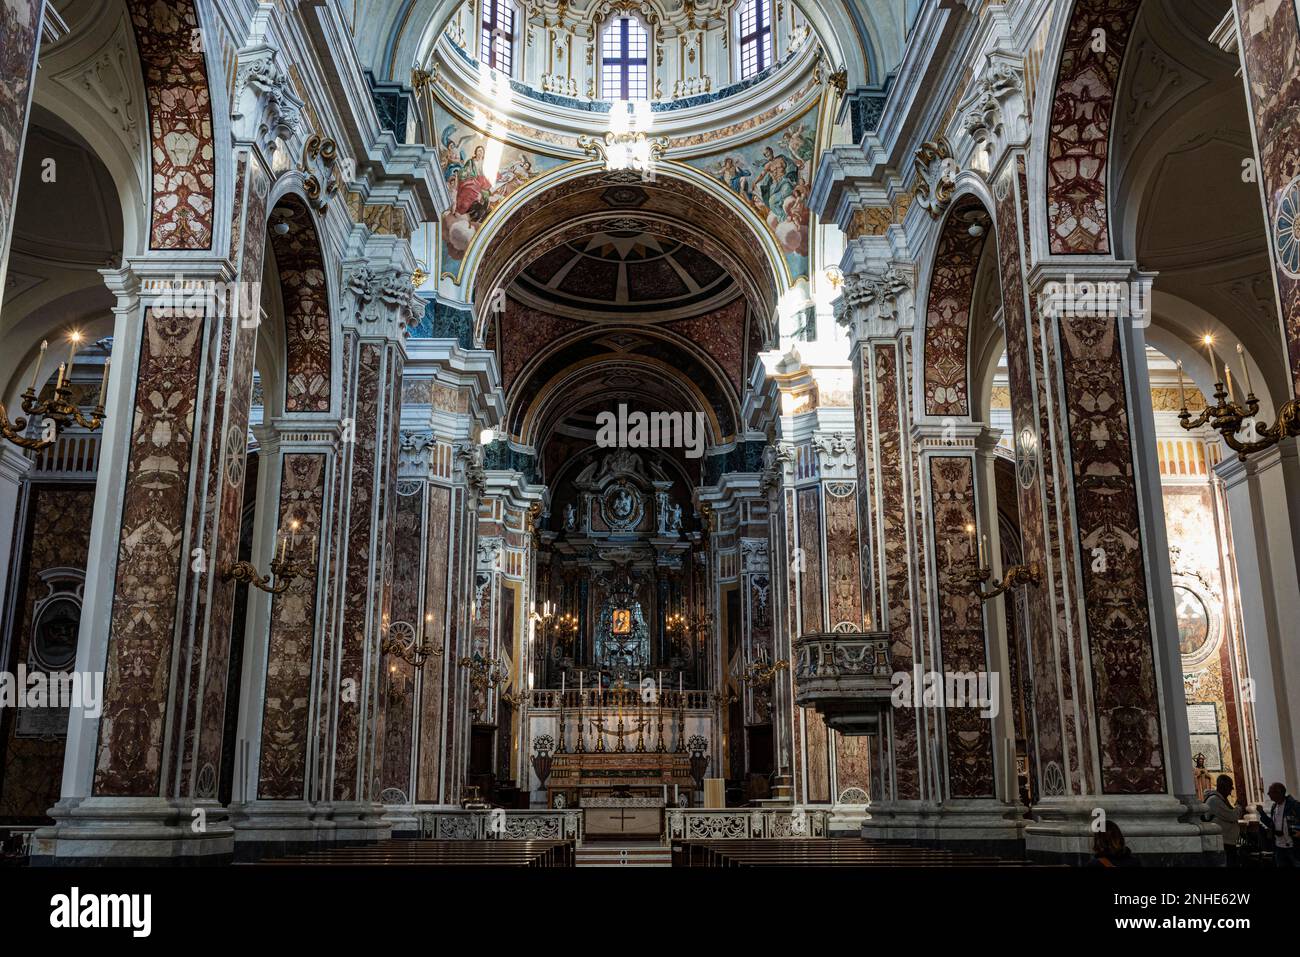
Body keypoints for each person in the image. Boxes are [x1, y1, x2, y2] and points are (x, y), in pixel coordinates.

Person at [1203, 774, 1243, 866]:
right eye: (1230, 787)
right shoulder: (1214, 800)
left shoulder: (1221, 799)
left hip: (1227, 842)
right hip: (1222, 842)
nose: (1231, 791)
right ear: (1223, 786)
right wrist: (1238, 807)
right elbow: (1232, 816)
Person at [1259, 782, 1300, 867]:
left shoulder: (1294, 806)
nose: (1268, 794)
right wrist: (1262, 813)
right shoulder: (1274, 807)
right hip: (1279, 848)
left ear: (1279, 793)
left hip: (1293, 847)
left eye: (1270, 792)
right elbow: (1272, 824)